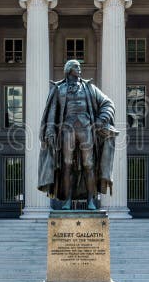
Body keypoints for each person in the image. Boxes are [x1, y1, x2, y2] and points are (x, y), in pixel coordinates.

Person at [38, 60, 117, 210]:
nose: (80, 69)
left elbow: (108, 103)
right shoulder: (58, 89)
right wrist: (49, 130)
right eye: (76, 67)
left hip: (86, 129)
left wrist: (101, 120)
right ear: (68, 70)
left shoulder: (89, 88)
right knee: (66, 165)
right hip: (67, 129)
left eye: (80, 67)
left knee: (89, 165)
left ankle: (90, 201)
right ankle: (67, 200)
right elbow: (52, 112)